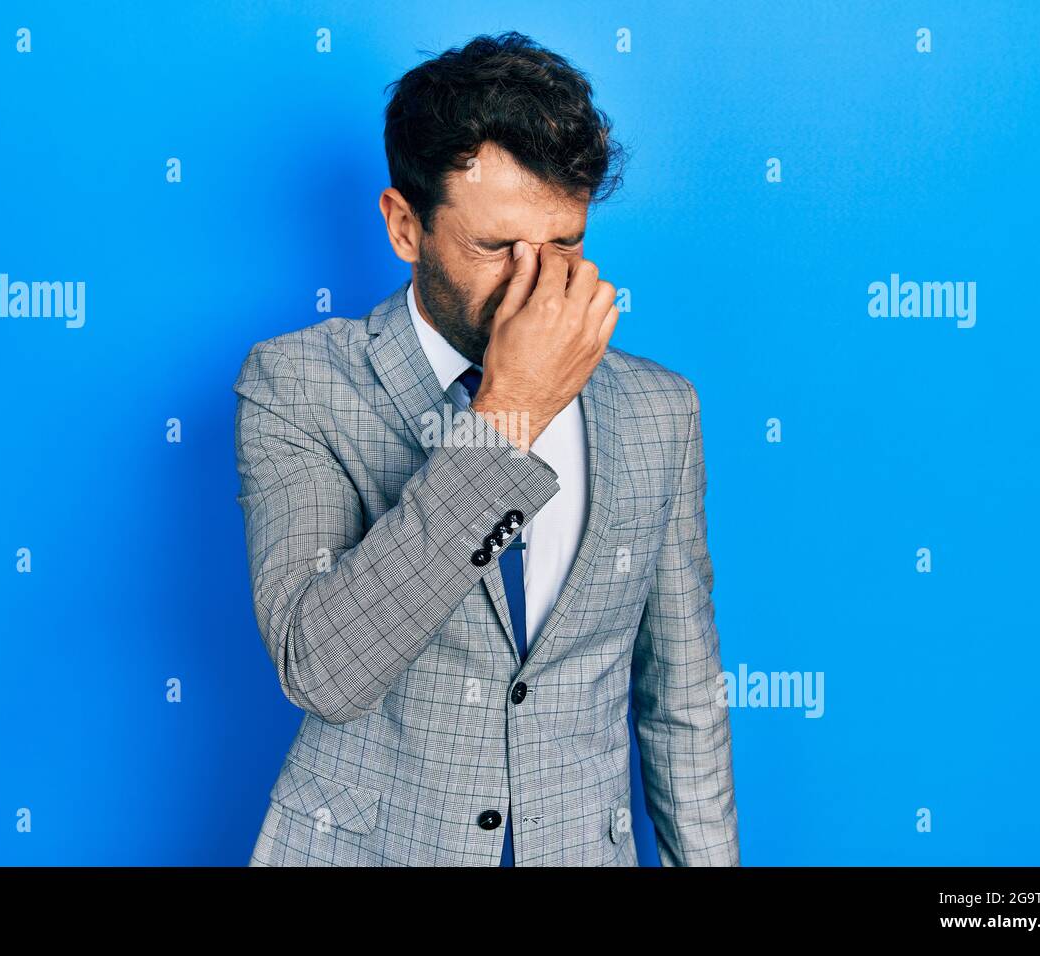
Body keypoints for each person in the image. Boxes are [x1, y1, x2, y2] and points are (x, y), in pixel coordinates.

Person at [234, 31, 738, 866]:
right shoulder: (297, 384)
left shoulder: (661, 410)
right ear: (405, 226)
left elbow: (683, 701)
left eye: (565, 246)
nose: (536, 284)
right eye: (496, 248)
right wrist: (513, 409)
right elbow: (322, 668)